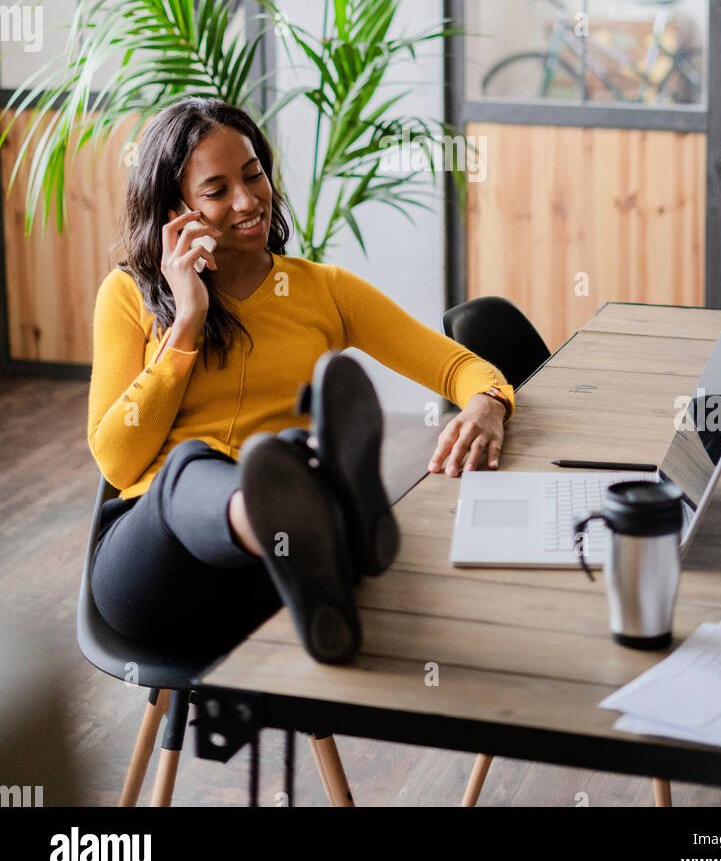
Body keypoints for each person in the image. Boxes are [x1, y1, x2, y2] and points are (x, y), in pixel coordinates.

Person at [88, 98, 515, 664]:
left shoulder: (323, 290)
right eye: (216, 191)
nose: (247, 200)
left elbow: (458, 366)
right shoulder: (128, 295)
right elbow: (117, 463)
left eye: (253, 174)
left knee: (287, 454)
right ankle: (285, 514)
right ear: (176, 211)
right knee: (190, 466)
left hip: (278, 582)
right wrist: (185, 323)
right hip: (157, 573)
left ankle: (301, 513)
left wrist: (488, 404)